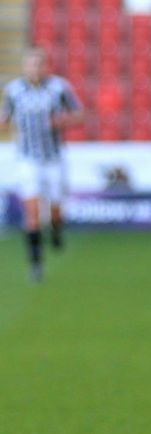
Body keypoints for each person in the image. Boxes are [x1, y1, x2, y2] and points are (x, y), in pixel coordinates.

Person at [0, 48, 83, 282]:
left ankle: (56, 229)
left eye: (39, 65)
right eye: (31, 65)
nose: (35, 69)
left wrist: (63, 120)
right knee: (33, 212)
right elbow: (5, 119)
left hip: (54, 158)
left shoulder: (59, 88)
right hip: (27, 158)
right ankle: (36, 263)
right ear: (25, 67)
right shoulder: (14, 91)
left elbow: (80, 114)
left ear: (46, 67)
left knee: (55, 209)